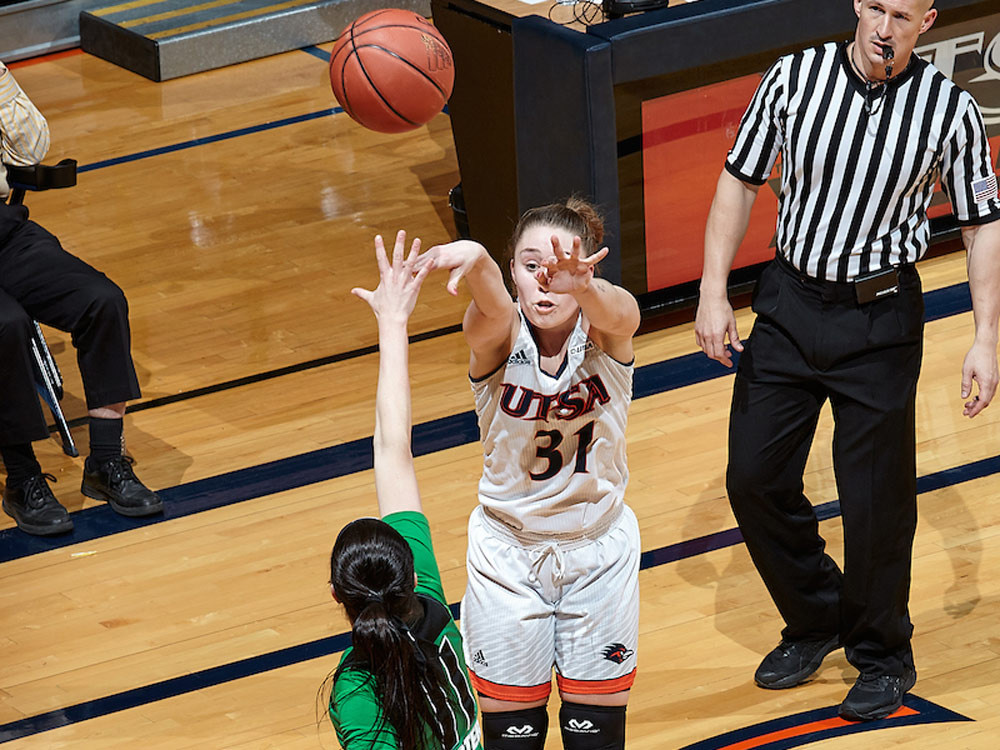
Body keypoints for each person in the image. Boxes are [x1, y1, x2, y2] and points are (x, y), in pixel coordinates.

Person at [694, 0, 1000, 722]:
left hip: (882, 319)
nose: (884, 28)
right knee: (755, 478)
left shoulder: (949, 111)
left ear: (927, 21)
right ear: (857, 6)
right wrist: (713, 293)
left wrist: (986, 338)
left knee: (876, 505)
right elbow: (738, 180)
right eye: (875, 8)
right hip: (791, 304)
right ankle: (817, 615)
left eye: (902, 14)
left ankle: (884, 649)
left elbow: (982, 229)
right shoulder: (793, 78)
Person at [417, 199, 642, 749]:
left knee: (597, 739)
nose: (546, 280)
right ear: (512, 272)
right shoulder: (496, 336)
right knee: (511, 740)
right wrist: (475, 261)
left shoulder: (609, 330)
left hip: (599, 553)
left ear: (588, 268)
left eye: (561, 266)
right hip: (508, 559)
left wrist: (582, 288)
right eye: (529, 265)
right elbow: (490, 307)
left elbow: (623, 312)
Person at [325, 231, 482, 750]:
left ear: (336, 598)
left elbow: (391, 449)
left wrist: (391, 323)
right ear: (412, 572)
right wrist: (393, 324)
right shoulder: (430, 601)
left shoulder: (354, 690)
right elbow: (394, 450)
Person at [0, 60, 161, 536]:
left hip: (5, 232)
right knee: (5, 325)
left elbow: (32, 150)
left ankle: (107, 462)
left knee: (102, 300)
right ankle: (23, 477)